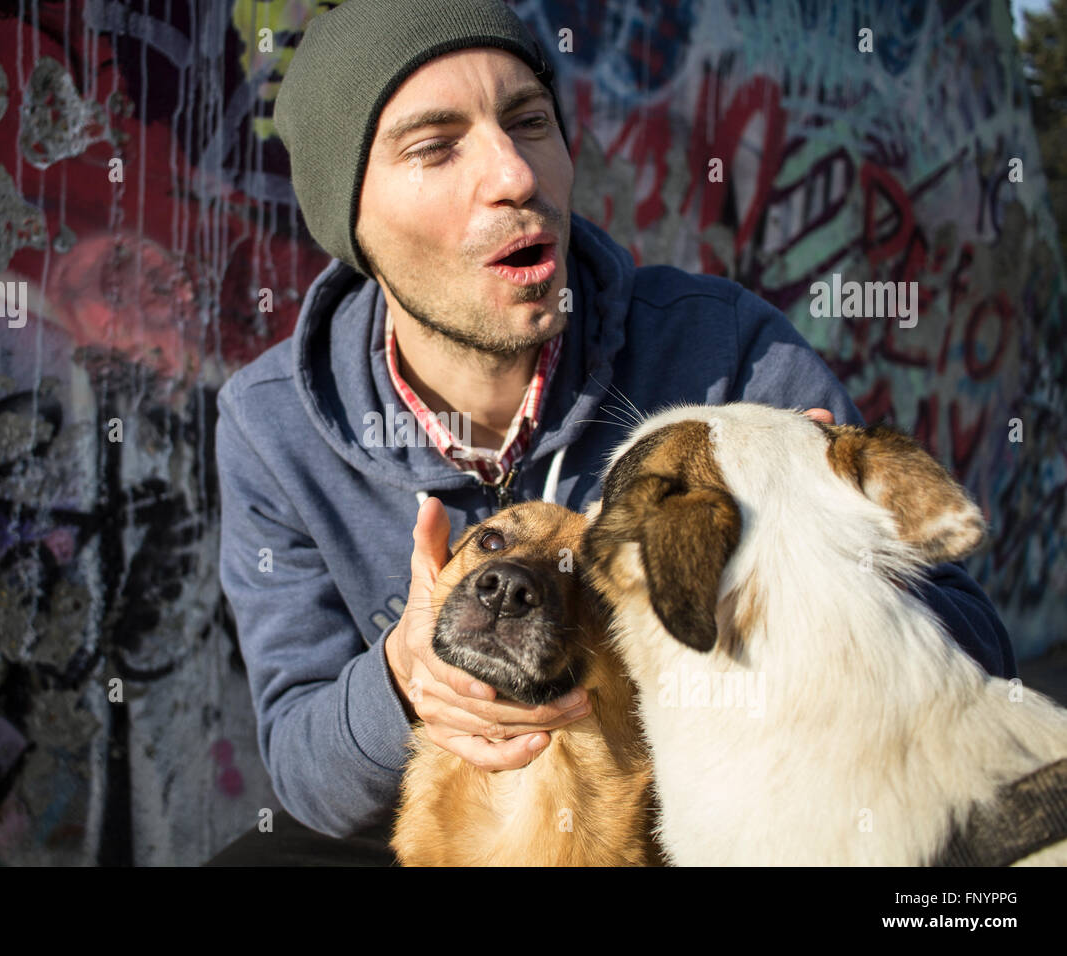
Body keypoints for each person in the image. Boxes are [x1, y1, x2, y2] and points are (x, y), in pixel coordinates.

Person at [204, 0, 1015, 866]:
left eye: (529, 121)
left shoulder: (726, 356)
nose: (514, 174)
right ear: (351, 218)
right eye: (436, 146)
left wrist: (780, 560)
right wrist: (407, 677)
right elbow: (303, 766)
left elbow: (974, 647)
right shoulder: (272, 426)